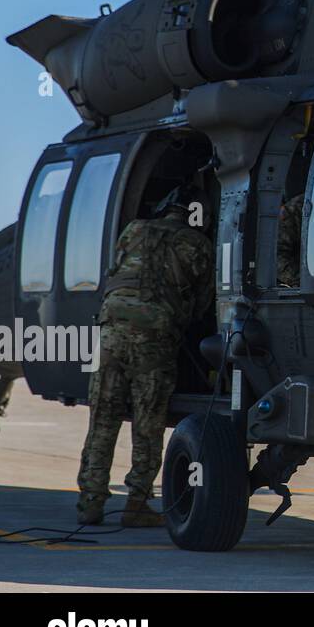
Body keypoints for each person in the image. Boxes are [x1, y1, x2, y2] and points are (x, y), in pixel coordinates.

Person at [76, 182, 214, 527]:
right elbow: (204, 303)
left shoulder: (134, 229)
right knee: (147, 425)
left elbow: (116, 271)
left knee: (102, 419)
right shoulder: (197, 244)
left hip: (111, 333)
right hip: (153, 339)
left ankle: (90, 502)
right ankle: (136, 503)